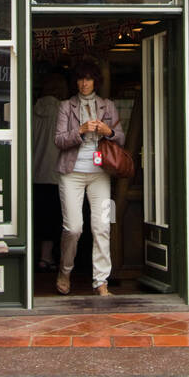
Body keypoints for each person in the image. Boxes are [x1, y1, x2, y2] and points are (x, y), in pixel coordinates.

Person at [53, 60, 124, 296]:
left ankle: (101, 281)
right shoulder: (66, 106)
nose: (84, 83)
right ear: (76, 81)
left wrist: (109, 132)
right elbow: (59, 140)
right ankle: (65, 270)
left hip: (101, 174)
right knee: (73, 228)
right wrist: (80, 131)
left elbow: (121, 138)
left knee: (102, 226)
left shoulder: (108, 106)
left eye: (89, 79)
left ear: (96, 81)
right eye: (81, 79)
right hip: (71, 173)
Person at [31, 71, 68, 273]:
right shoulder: (63, 111)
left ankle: (40, 256)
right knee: (55, 219)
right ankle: (48, 257)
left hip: (35, 172)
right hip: (55, 173)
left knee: (39, 216)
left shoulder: (33, 109)